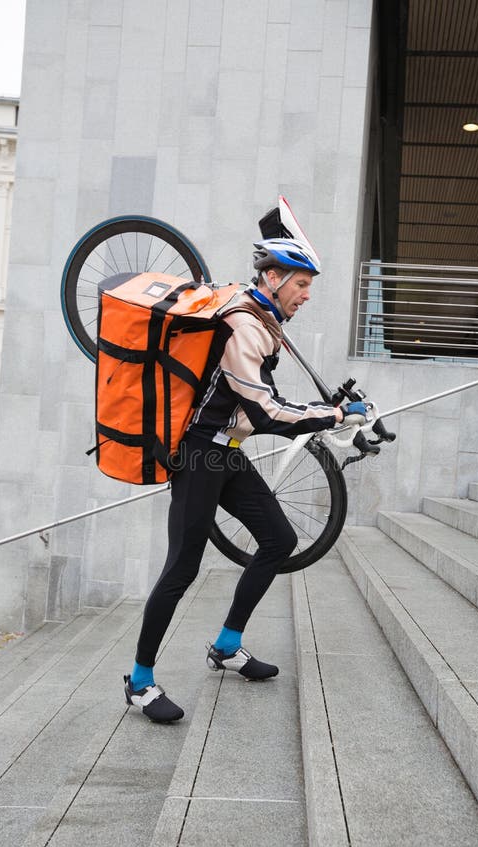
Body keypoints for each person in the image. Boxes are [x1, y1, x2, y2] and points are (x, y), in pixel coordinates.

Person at [123, 237, 366, 723]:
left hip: (226, 453)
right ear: (272, 279)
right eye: (301, 283)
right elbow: (266, 410)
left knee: (279, 538)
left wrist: (332, 413)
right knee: (182, 568)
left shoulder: (260, 318)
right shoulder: (243, 323)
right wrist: (335, 414)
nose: (307, 294)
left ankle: (227, 646)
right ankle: (140, 681)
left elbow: (257, 408)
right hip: (198, 455)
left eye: (310, 285)